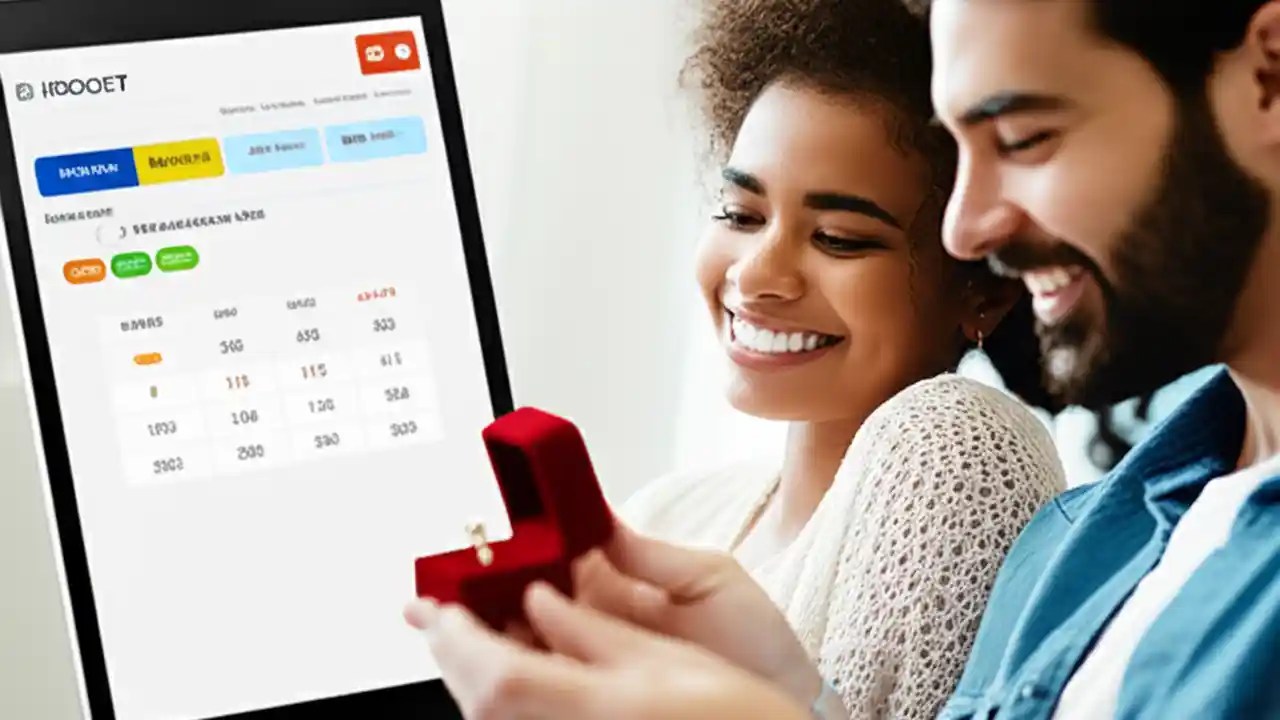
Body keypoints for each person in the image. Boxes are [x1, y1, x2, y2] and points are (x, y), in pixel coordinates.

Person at [400, 0, 1280, 717]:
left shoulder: (960, 447)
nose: (971, 229)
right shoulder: (1113, 530)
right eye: (739, 213)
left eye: (1024, 140)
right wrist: (793, 693)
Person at [617, 0, 1064, 716]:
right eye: (740, 215)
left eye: (840, 238)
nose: (756, 275)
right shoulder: (662, 514)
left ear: (983, 290)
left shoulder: (959, 446)